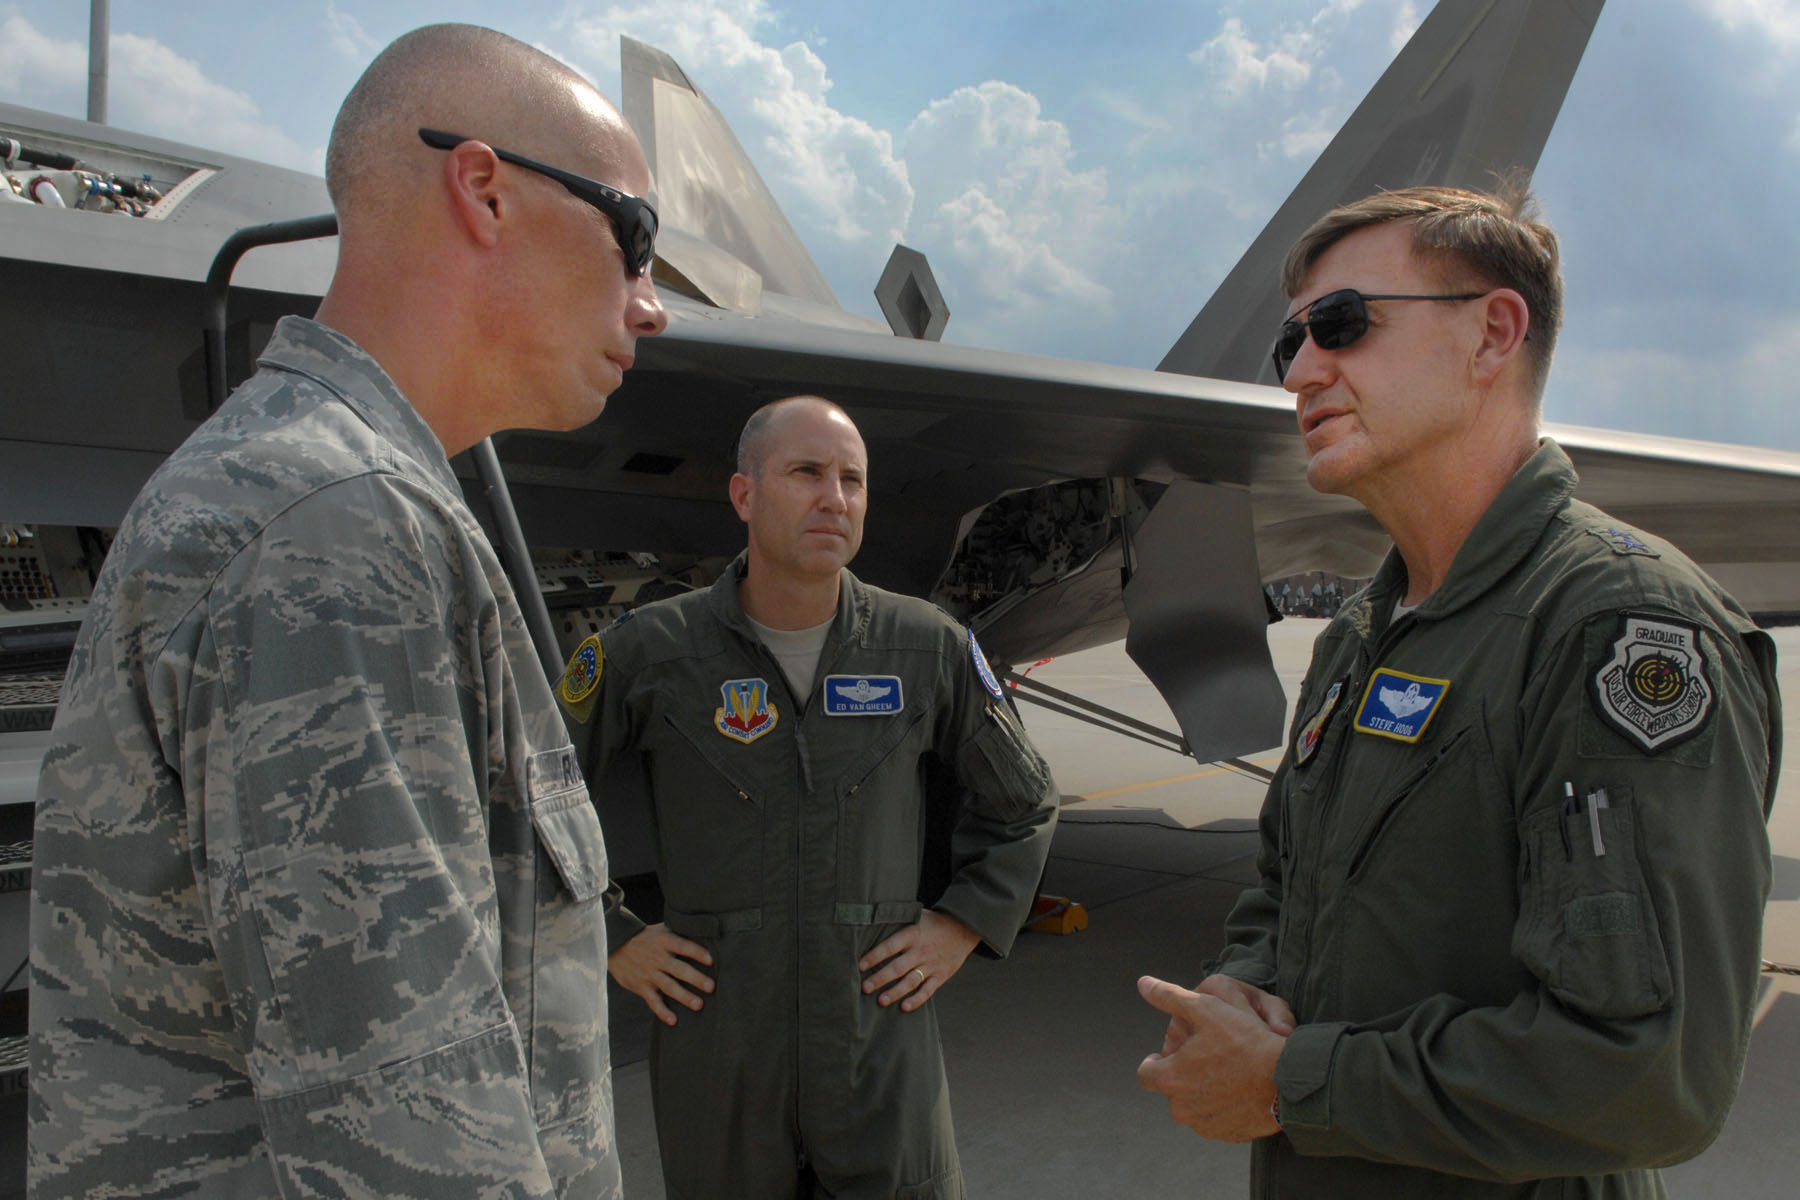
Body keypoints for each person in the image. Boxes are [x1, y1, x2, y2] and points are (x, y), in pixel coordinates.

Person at [29, 24, 666, 1199]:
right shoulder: (336, 525)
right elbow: (411, 1142)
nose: (651, 301)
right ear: (484, 189)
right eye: (635, 235)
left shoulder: (347, 495)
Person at [1135, 185, 1781, 1198]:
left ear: (1493, 335)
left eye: (1342, 325)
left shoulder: (1617, 628)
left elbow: (1651, 1077)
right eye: (1289, 344)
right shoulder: (1365, 633)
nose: (1302, 370)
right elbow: (1283, 881)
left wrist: (1292, 1080)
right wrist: (1242, 984)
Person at [558, 395, 1058, 1199]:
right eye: (807, 473)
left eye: (853, 480)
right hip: (718, 1045)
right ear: (744, 495)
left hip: (876, 1041)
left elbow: (1025, 803)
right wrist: (610, 935)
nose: (836, 497)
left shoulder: (923, 645)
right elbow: (527, 800)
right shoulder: (650, 651)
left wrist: (962, 923)